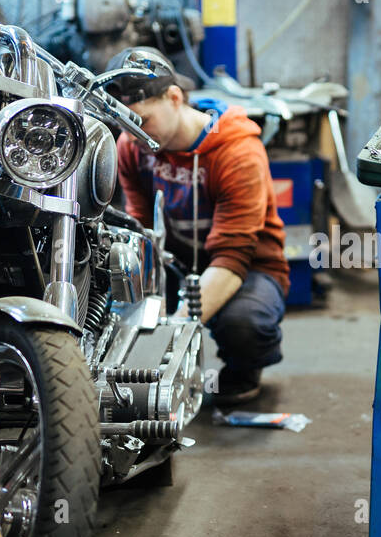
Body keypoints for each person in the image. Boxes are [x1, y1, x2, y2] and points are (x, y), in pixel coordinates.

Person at [102, 48, 289, 406]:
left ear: (174, 98)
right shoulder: (132, 147)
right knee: (113, 301)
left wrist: (172, 329)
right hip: (175, 263)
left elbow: (232, 257)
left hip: (245, 269)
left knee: (243, 324)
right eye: (125, 124)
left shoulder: (237, 151)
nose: (134, 135)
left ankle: (243, 368)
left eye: (142, 121)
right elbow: (140, 231)